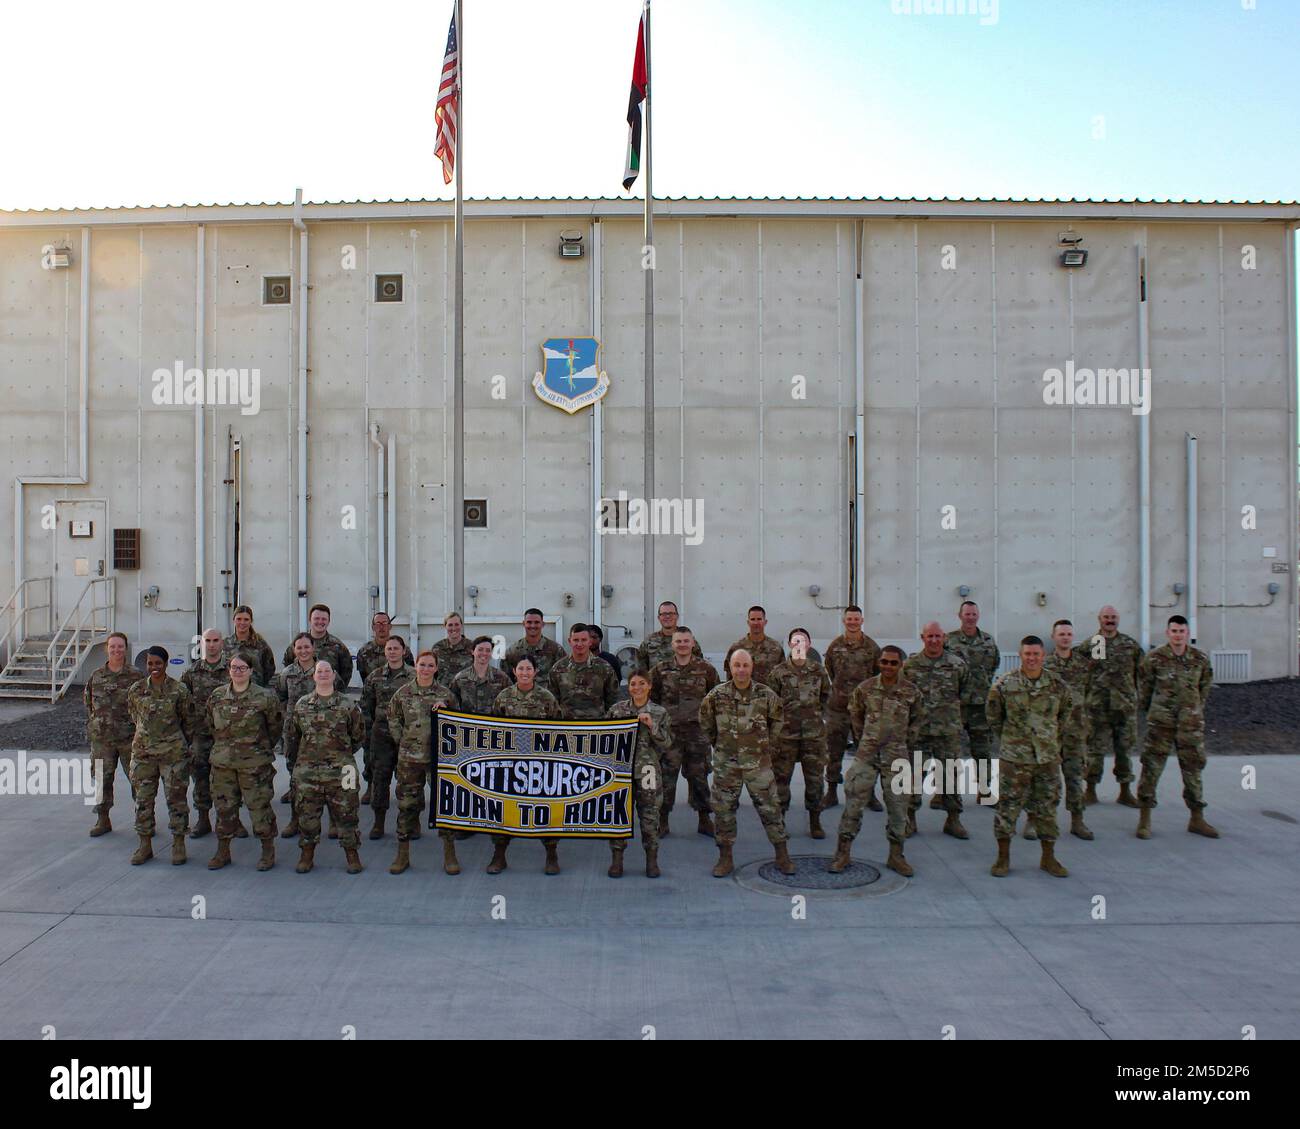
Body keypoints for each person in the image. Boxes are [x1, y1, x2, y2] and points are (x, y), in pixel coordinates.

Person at [699, 649, 795, 878]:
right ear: (730, 668)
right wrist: (720, 745)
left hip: (758, 765)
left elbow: (778, 722)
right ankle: (725, 857)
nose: (741, 670)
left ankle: (782, 855)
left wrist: (766, 747)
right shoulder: (716, 696)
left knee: (771, 809)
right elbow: (706, 723)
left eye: (745, 665)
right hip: (727, 765)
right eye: (737, 665)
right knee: (723, 812)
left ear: (752, 667)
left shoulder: (766, 695)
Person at [986, 636, 1070, 878]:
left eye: (1036, 654)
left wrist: (1049, 739)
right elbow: (994, 717)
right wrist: (1013, 741)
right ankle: (1003, 858)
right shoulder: (1005, 684)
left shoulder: (1057, 685)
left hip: (1047, 759)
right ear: (1021, 656)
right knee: (1007, 809)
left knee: (1048, 808)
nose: (1032, 658)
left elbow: (1065, 714)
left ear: (1043, 656)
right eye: (1027, 654)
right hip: (1015, 759)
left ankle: (1048, 857)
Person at [832, 645, 919, 877]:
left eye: (893, 662)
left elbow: (917, 721)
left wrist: (901, 742)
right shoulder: (866, 688)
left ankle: (896, 855)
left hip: (897, 756)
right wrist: (865, 739)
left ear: (901, 664)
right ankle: (843, 853)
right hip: (867, 755)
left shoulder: (911, 692)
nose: (888, 666)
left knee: (899, 808)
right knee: (853, 805)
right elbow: (855, 714)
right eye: (884, 662)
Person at [1135, 615, 1218, 841]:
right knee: (1151, 767)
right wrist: (1151, 712)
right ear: (1167, 633)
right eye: (1174, 631)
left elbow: (1205, 687)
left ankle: (1197, 817)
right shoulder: (1154, 658)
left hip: (1190, 725)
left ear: (1187, 633)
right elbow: (1145, 688)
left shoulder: (1199, 659)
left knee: (1193, 769)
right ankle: (1144, 817)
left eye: (1182, 631)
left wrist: (1193, 710)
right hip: (1161, 723)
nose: (1178, 635)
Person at [205, 655, 283, 871]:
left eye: (242, 667)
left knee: (259, 808)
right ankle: (223, 851)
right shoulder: (217, 696)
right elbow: (210, 724)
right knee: (224, 808)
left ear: (251, 671)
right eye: (233, 667)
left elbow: (275, 727)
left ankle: (267, 850)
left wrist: (258, 748)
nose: (237, 671)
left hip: (255, 764)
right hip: (223, 764)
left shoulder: (265, 697)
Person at [487, 657, 563, 874]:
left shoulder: (546, 698)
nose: (525, 672)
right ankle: (499, 855)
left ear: (535, 671)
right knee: (504, 809)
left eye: (529, 668)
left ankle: (551, 853)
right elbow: (493, 726)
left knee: (544, 809)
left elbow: (558, 728)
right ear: (514, 671)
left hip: (539, 765)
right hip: (510, 765)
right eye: (521, 668)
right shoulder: (504, 697)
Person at [288, 661, 366, 874]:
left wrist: (340, 755)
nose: (323, 674)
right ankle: (307, 854)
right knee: (307, 814)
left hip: (343, 769)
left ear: (334, 676)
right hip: (308, 770)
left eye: (327, 671)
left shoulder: (348, 705)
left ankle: (352, 853)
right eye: (319, 671)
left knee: (347, 813)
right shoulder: (302, 705)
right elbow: (293, 737)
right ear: (313, 676)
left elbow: (358, 736)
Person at [389, 651, 457, 875]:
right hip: (409, 760)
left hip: (439, 760)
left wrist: (446, 710)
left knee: (444, 807)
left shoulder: (445, 694)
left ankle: (449, 854)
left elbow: (459, 722)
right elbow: (393, 718)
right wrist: (403, 742)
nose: (426, 669)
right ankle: (403, 854)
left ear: (436, 668)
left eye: (430, 665)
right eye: (422, 665)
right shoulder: (404, 693)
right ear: (415, 666)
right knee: (407, 805)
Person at [902, 623, 971, 838]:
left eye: (937, 636)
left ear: (944, 638)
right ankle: (909, 819)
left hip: (947, 731)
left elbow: (966, 694)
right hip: (918, 732)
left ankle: (953, 819)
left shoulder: (957, 665)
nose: (933, 640)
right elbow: (902, 696)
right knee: (913, 776)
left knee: (950, 775)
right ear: (922, 637)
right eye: (929, 636)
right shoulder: (910, 666)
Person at [126, 647, 193, 866]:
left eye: (158, 663)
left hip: (172, 754)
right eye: (150, 664)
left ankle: (178, 843)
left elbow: (187, 719)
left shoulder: (179, 690)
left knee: (176, 800)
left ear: (166, 664)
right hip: (143, 754)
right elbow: (134, 716)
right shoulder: (136, 690)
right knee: (143, 801)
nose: (154, 668)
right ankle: (144, 844)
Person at [649, 628, 719, 837]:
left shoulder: (706, 669)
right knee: (667, 778)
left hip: (697, 733)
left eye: (686, 641)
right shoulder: (660, 670)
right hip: (670, 734)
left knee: (699, 777)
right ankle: (663, 821)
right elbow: (652, 699)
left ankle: (704, 819)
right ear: (672, 644)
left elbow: (715, 698)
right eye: (678, 641)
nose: (682, 645)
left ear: (692, 643)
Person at [272, 632, 343, 838]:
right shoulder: (287, 673)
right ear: (294, 650)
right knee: (296, 778)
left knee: (329, 778)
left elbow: (338, 695)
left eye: (307, 647)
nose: (303, 651)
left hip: (324, 733)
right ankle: (296, 820)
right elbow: (280, 699)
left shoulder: (325, 671)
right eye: (299, 647)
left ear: (313, 648)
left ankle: (334, 822)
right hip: (295, 733)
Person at [765, 628, 832, 838]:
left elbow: (825, 696)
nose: (799, 644)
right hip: (785, 737)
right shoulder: (778, 673)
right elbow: (770, 703)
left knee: (814, 780)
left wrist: (814, 718)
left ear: (809, 644)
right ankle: (781, 820)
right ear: (790, 645)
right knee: (781, 780)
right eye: (795, 641)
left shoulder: (818, 671)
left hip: (813, 737)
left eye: (803, 641)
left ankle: (815, 820)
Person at [605, 670, 669, 878]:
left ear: (649, 686)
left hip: (648, 771)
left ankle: (652, 860)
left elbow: (667, 742)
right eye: (633, 684)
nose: (637, 687)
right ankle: (617, 860)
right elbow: (603, 739)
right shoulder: (617, 710)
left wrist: (652, 726)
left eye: (642, 683)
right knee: (618, 816)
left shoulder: (659, 712)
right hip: (620, 772)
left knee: (650, 816)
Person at [1076, 605, 1143, 806]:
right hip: (1097, 708)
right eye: (1106, 617)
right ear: (1099, 619)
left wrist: (1138, 699)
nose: (1110, 620)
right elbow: (1078, 673)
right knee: (1094, 751)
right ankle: (1090, 790)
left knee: (1124, 750)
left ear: (1118, 619)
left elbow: (1143, 674)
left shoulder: (1130, 645)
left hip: (1124, 709)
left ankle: (1125, 791)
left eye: (1113, 617)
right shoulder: (1090, 645)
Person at [83, 631, 144, 837]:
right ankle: (103, 819)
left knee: (139, 779)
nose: (116, 650)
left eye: (120, 646)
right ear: (106, 649)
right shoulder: (97, 676)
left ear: (126, 649)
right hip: (102, 741)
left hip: (130, 739)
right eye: (112, 647)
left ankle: (144, 819)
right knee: (101, 779)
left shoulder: (136, 676)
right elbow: (89, 703)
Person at [822, 606, 881, 810]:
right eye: (849, 619)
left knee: (866, 753)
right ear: (844, 620)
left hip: (863, 711)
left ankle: (869, 794)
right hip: (838, 709)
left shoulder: (872, 647)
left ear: (862, 620)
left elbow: (877, 675)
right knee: (834, 751)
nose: (853, 622)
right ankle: (831, 793)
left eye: (856, 619)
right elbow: (829, 669)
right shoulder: (835, 646)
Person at [1042, 619, 1095, 841]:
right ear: (1053, 637)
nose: (1065, 637)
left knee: (1075, 777)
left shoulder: (1083, 665)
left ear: (1073, 637)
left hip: (1075, 731)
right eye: (1061, 634)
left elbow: (1090, 691)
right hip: (1050, 732)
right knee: (1046, 779)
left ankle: (1077, 821)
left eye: (1068, 634)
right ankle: (1038, 821)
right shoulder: (1044, 665)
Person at [360, 635, 414, 839]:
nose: (392, 651)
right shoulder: (374, 677)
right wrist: (369, 731)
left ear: (403, 651)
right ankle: (378, 822)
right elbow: (366, 706)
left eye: (396, 648)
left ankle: (411, 822)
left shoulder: (414, 676)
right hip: (381, 735)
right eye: (389, 648)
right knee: (380, 779)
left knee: (408, 781)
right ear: (385, 652)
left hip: (406, 735)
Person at [181, 629, 232, 840]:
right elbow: (182, 704)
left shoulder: (233, 669)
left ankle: (230, 820)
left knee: (227, 780)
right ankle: (203, 818)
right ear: (201, 644)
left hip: (226, 736)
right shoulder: (192, 673)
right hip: (201, 736)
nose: (211, 645)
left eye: (215, 641)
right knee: (200, 777)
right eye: (207, 641)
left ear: (222, 643)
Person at [945, 601, 1000, 798]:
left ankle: (984, 790)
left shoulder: (988, 640)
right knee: (950, 750)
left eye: (973, 614)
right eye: (967, 614)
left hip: (980, 705)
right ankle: (944, 792)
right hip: (955, 704)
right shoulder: (948, 640)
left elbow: (993, 665)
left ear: (978, 615)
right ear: (960, 616)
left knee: (982, 750)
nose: (970, 617)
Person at [549, 623, 619, 720]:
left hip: (596, 727)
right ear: (570, 641)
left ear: (590, 641)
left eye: (584, 640)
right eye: (576, 640)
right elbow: (552, 701)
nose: (579, 644)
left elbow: (613, 700)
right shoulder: (557, 669)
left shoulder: (604, 668)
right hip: (567, 726)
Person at [281, 603, 354, 687]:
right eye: (316, 618)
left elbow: (346, 672)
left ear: (328, 621)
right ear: (310, 620)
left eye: (324, 619)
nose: (320, 622)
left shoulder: (338, 646)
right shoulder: (298, 644)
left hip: (327, 696)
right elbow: (288, 666)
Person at [723, 606, 785, 687]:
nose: (756, 623)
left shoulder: (776, 648)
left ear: (765, 622)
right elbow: (730, 677)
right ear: (748, 622)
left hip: (768, 697)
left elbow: (782, 676)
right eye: (752, 619)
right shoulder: (736, 648)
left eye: (759, 619)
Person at [450, 635, 510, 714]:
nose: (484, 653)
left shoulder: (502, 678)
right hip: (468, 724)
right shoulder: (460, 678)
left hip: (492, 724)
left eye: (488, 650)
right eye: (480, 649)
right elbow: (451, 703)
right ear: (473, 651)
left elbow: (510, 700)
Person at [636, 601, 703, 671]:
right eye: (664, 614)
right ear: (659, 617)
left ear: (677, 616)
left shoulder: (688, 641)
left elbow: (700, 666)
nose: (667, 616)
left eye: (671, 613)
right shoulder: (649, 641)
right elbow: (641, 672)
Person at [504, 609, 565, 684]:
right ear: (524, 624)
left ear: (542, 624)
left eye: (536, 622)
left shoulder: (555, 650)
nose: (533, 626)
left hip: (546, 695)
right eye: (529, 622)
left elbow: (563, 680)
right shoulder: (513, 651)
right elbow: (506, 681)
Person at [223, 605, 277, 687]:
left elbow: (269, 670)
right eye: (239, 619)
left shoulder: (260, 644)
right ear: (234, 620)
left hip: (254, 694)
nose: (242, 623)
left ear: (251, 621)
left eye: (246, 619)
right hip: (231, 693)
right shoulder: (225, 644)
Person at [355, 611, 413, 684]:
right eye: (378, 623)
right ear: (373, 627)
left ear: (390, 626)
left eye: (385, 623)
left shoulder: (403, 650)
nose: (381, 627)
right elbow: (364, 678)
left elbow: (411, 674)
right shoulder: (364, 652)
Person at [432, 611, 475, 687]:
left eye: (457, 624)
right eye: (450, 625)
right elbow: (432, 673)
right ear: (445, 626)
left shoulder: (472, 646)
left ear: (461, 625)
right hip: (444, 693)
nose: (454, 628)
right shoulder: (437, 648)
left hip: (466, 694)